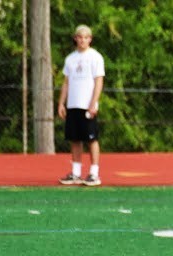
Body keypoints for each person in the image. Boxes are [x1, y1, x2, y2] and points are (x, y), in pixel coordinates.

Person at [57, 24, 105, 186]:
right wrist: (61, 103)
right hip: (73, 105)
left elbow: (99, 81)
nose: (83, 40)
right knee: (75, 138)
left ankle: (94, 173)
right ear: (75, 38)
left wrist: (93, 103)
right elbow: (66, 82)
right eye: (80, 37)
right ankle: (76, 173)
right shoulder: (70, 59)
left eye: (86, 37)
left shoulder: (95, 57)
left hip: (87, 105)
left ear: (90, 39)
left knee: (91, 139)